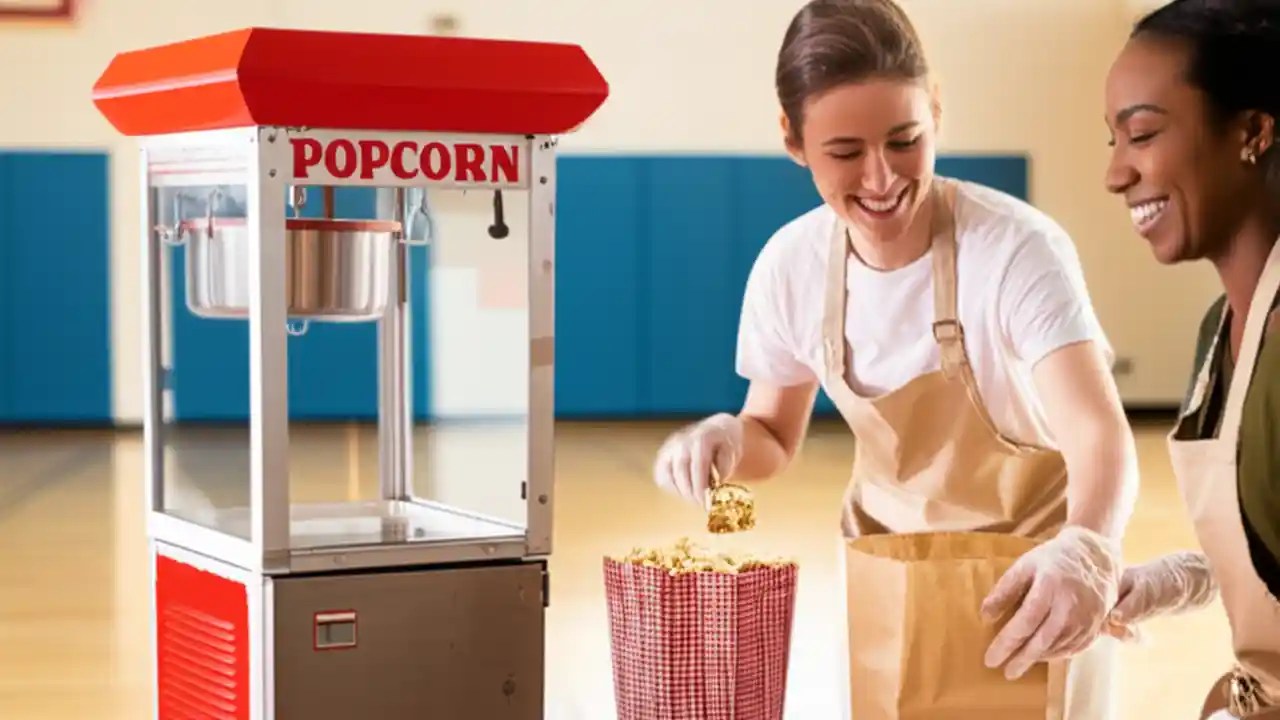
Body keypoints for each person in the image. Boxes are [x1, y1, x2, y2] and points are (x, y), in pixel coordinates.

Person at [650, 0, 1139, 714]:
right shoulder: (791, 267)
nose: (881, 179)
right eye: (845, 153)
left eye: (905, 140)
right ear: (792, 137)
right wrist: (727, 437)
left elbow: (1097, 432)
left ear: (936, 108)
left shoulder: (1015, 250)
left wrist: (1088, 548)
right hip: (889, 583)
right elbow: (773, 438)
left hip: (1036, 586)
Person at [1102, 1, 1280, 717]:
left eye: (1141, 133)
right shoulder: (1223, 333)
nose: (1116, 173)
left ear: (1253, 131)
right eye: (1111, 140)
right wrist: (1182, 580)